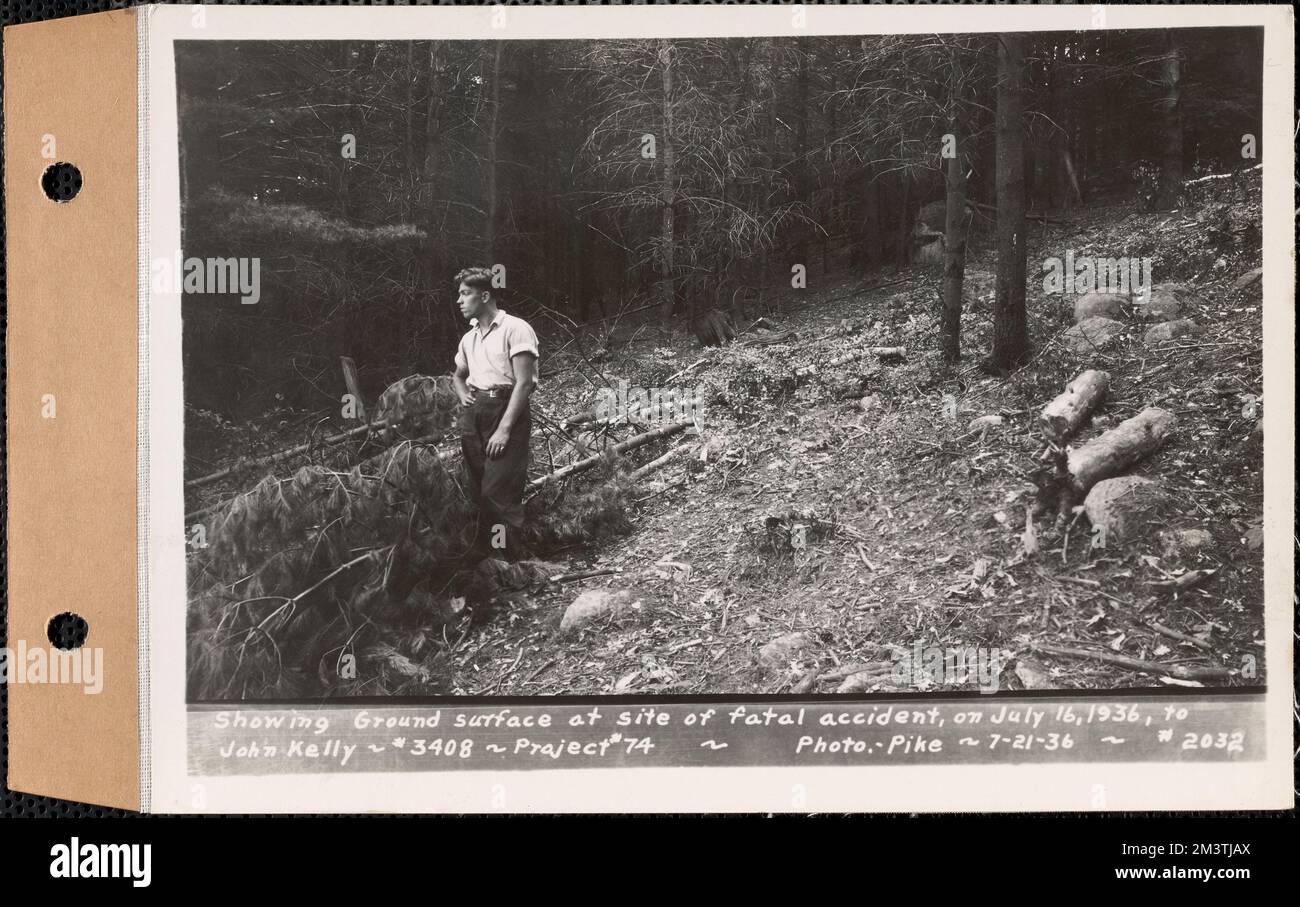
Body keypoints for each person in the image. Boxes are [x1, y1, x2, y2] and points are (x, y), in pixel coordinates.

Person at [451, 266, 539, 561]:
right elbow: (459, 375)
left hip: (506, 411)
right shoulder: (469, 339)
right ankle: (494, 564)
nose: (459, 301)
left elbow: (524, 383)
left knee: (498, 493)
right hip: (475, 415)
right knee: (479, 494)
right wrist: (463, 394)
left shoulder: (516, 328)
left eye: (465, 294)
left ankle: (518, 564)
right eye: (459, 295)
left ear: (485, 295)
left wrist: (504, 429)